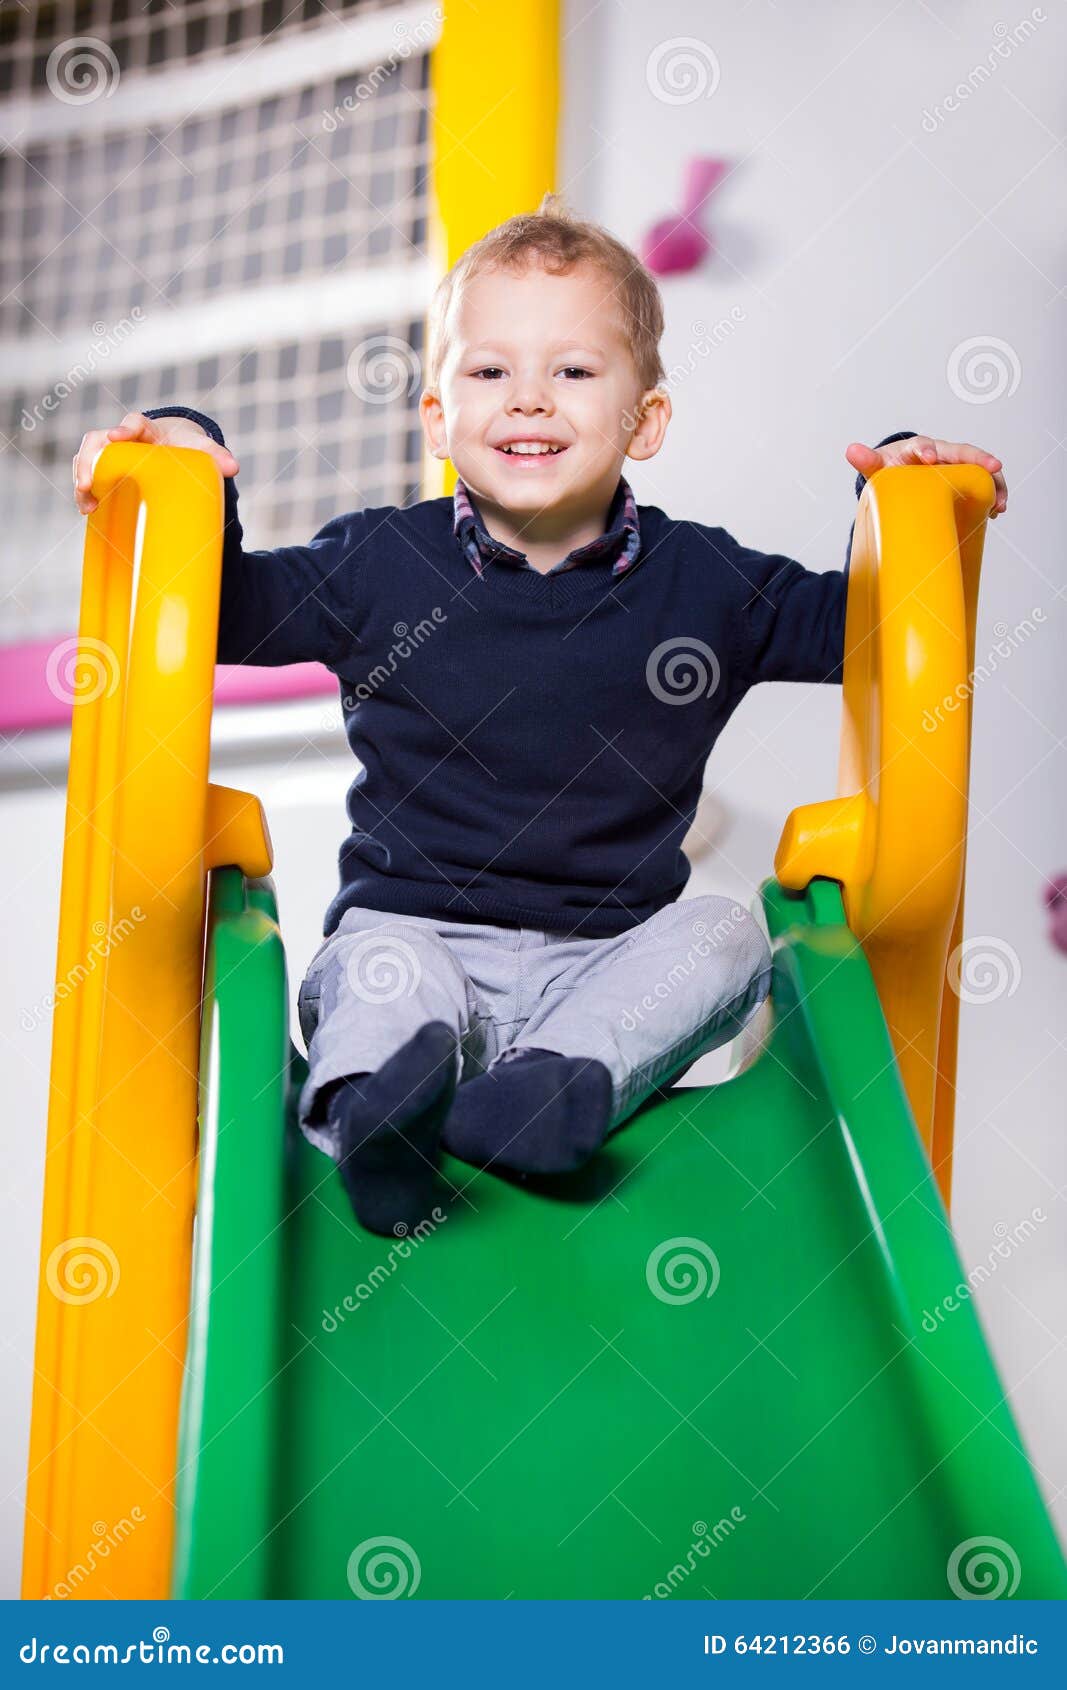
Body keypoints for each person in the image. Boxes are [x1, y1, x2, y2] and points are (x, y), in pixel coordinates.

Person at [72, 195, 1008, 1237]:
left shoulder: (706, 584)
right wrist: (193, 460)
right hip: (414, 935)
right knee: (383, 985)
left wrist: (906, 498)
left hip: (602, 964)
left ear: (642, 418)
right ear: (435, 415)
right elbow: (223, 612)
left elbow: (879, 634)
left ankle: (550, 1094)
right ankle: (382, 1121)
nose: (527, 400)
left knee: (724, 938)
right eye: (487, 372)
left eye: (571, 371)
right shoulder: (379, 564)